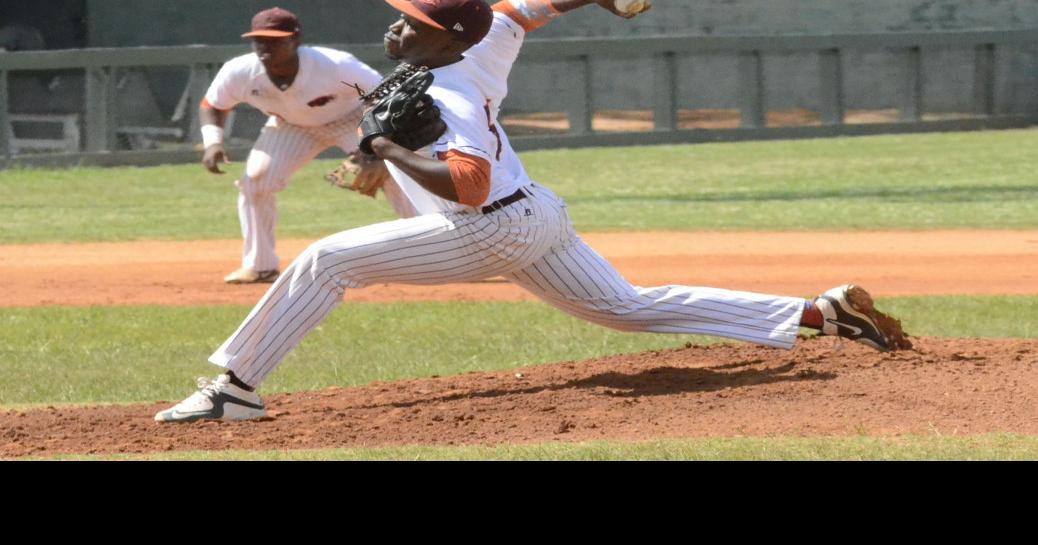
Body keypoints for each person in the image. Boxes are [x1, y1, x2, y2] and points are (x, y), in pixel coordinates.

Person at [155, 0, 908, 423]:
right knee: (627, 306)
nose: (396, 29)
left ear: (446, 36)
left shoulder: (448, 90)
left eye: (411, 24)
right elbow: (522, 7)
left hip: (489, 227)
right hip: (538, 212)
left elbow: (469, 184)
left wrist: (385, 148)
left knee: (325, 259)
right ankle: (820, 314)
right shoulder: (477, 50)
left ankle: (234, 391)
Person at [200, 7, 416, 284]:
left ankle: (436, 252)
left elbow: (384, 93)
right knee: (256, 180)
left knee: (393, 171)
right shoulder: (240, 71)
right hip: (290, 125)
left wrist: (373, 146)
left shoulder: (334, 64)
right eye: (259, 40)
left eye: (275, 40)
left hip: (351, 117)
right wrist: (213, 142)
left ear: (295, 40)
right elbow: (213, 105)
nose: (266, 46)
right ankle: (260, 266)